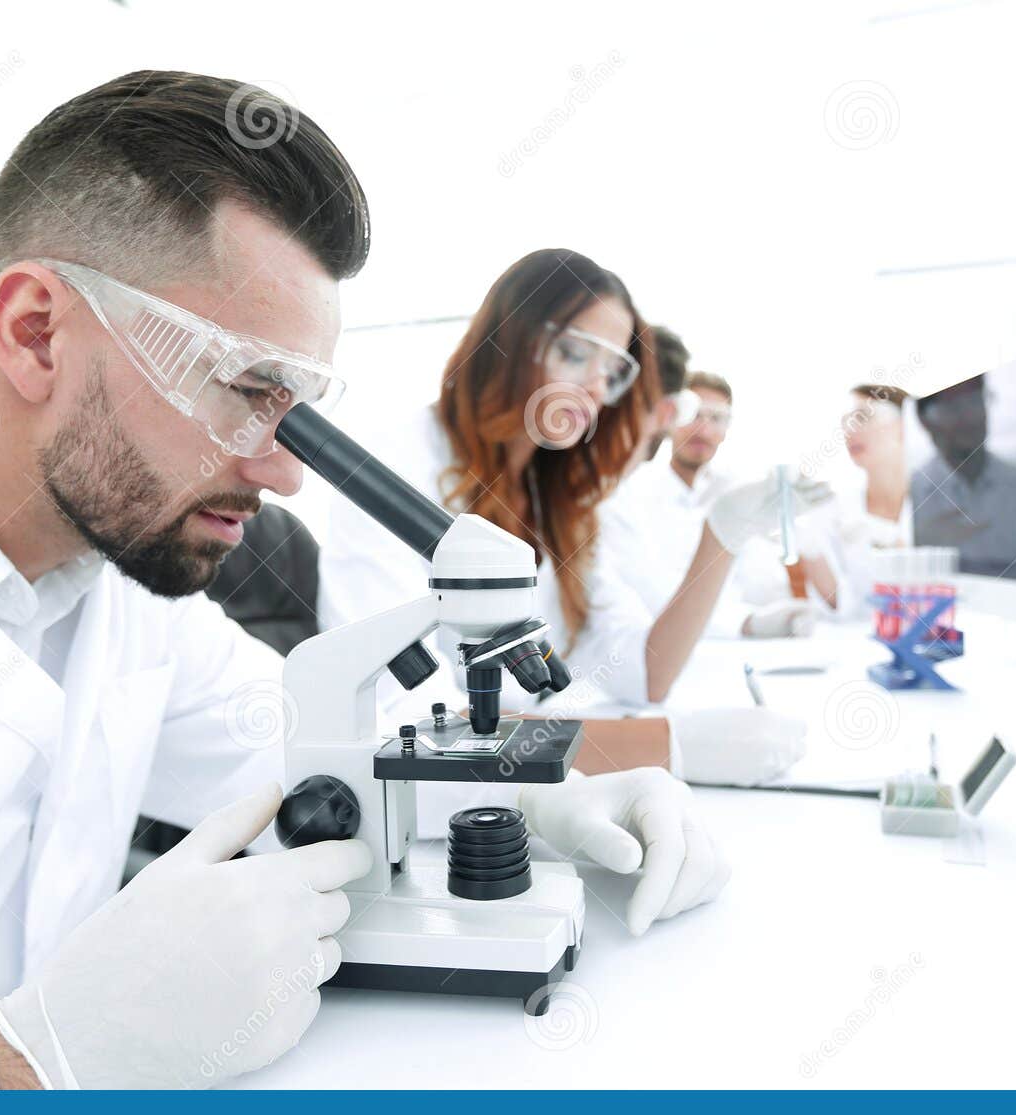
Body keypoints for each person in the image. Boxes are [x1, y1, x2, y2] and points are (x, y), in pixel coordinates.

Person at [0, 71, 734, 1092]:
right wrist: (24, 1063)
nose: (283, 467)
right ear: (38, 329)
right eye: (244, 388)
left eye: (297, 406)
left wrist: (547, 797)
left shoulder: (104, 579)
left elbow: (312, 747)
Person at [318, 251, 819, 794]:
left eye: (613, 371)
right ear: (509, 338)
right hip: (444, 822)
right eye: (576, 354)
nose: (598, 390)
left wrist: (721, 540)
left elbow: (644, 672)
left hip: (539, 790)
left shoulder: (551, 495)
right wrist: (671, 746)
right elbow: (410, 730)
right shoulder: (393, 470)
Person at [599, 345, 821, 640]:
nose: (703, 429)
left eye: (717, 418)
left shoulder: (737, 492)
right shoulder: (633, 492)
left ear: (728, 427)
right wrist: (746, 623)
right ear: (672, 416)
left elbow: (761, 583)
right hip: (661, 648)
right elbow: (647, 589)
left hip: (736, 649)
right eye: (695, 414)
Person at [910, 374, 1016, 582]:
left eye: (975, 400)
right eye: (954, 407)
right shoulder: (910, 493)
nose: (969, 416)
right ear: (925, 420)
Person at [797, 384, 914, 616]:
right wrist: (805, 539)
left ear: (904, 426)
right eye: (846, 421)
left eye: (863, 417)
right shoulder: (833, 510)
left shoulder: (944, 502)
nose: (850, 430)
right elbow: (839, 603)